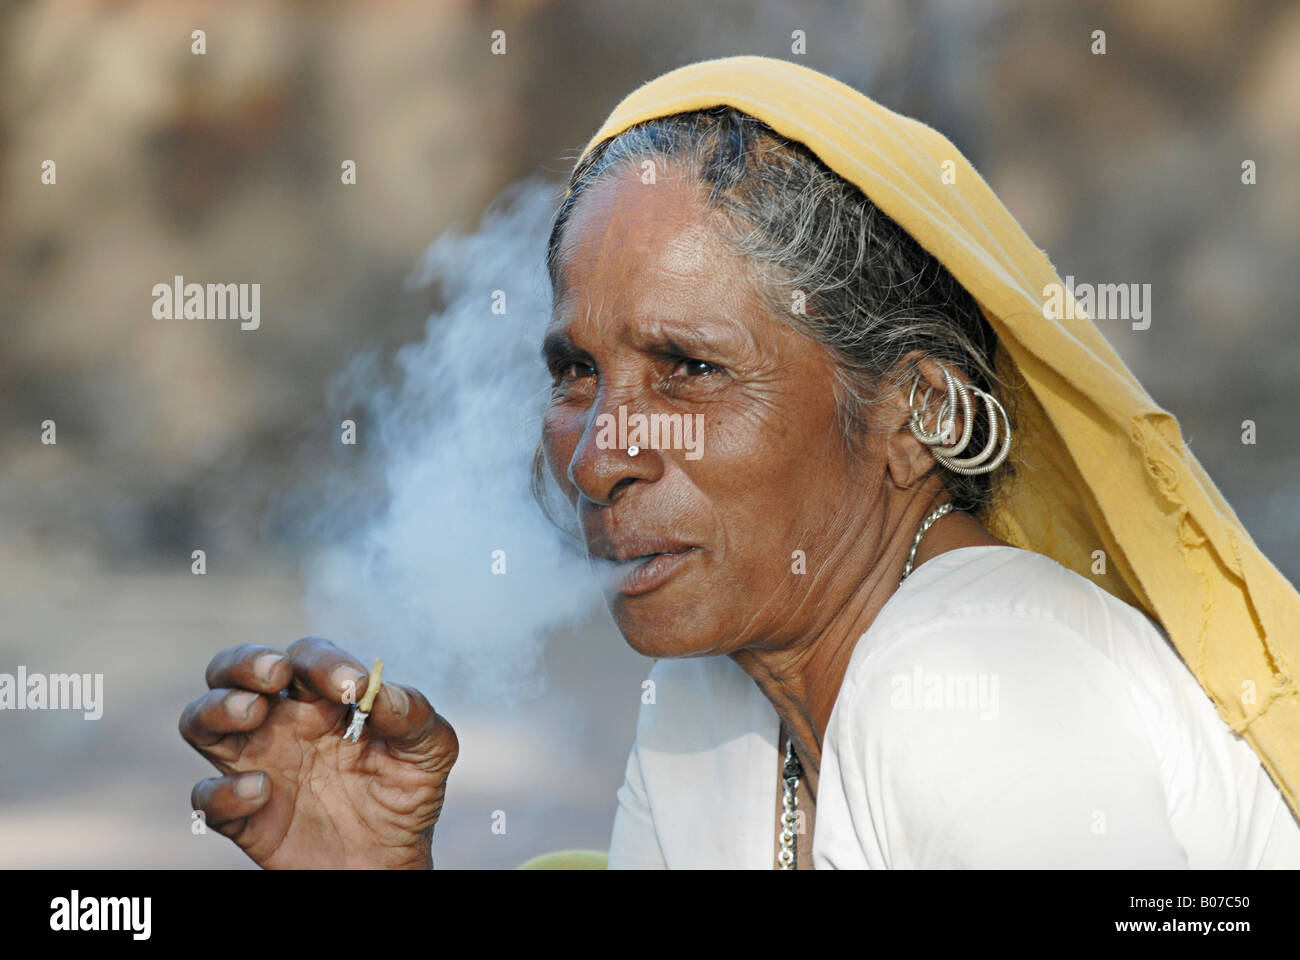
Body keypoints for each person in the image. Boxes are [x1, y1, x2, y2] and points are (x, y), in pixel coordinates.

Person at [180, 56, 1300, 869]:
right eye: (576, 372)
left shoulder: (983, 686)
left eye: (689, 368)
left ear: (914, 411)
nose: (601, 458)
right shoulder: (706, 708)